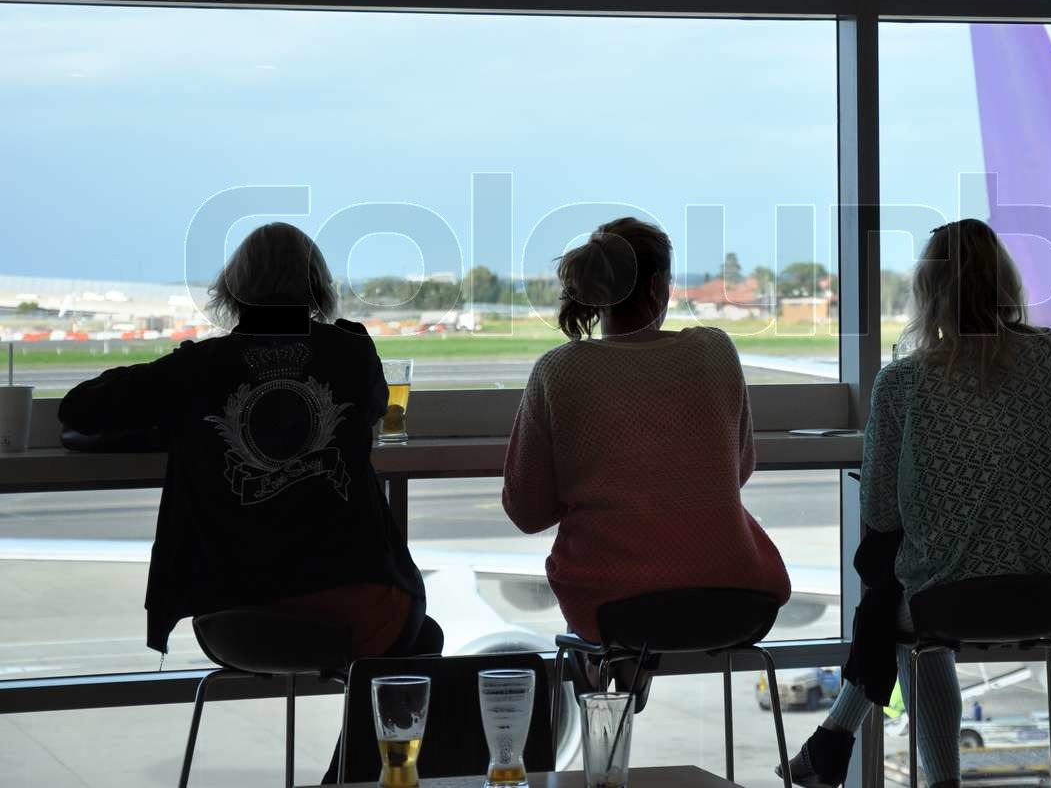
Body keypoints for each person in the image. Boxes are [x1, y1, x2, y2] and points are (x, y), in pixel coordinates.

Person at [784, 219, 1051, 788]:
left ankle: (916, 772)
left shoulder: (904, 382)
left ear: (929, 291)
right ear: (1005, 284)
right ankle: (830, 744)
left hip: (954, 601)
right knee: (898, 603)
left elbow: (881, 511)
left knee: (897, 607)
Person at [58, 223, 432, 661]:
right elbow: (371, 412)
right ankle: (365, 732)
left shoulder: (197, 368)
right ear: (316, 288)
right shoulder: (352, 354)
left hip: (234, 616)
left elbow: (78, 408)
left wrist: (177, 422)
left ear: (232, 289)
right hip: (363, 609)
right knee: (419, 644)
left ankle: (360, 732)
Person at [501, 217, 790, 691]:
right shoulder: (714, 351)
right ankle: (633, 667)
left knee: (615, 605)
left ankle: (614, 674)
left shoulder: (560, 370)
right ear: (657, 286)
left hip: (615, 604)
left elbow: (526, 512)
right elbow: (737, 470)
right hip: (737, 600)